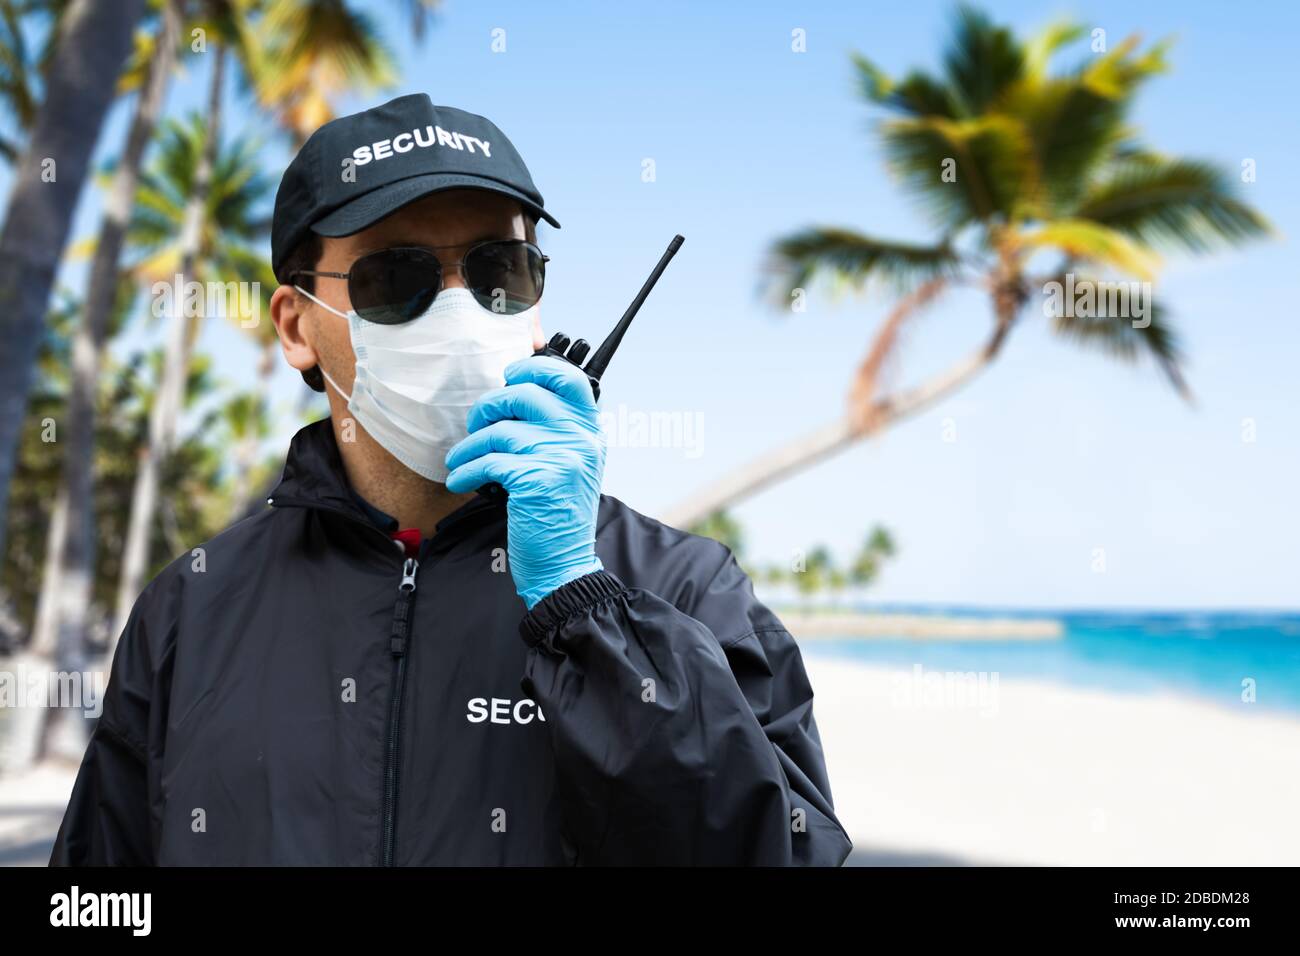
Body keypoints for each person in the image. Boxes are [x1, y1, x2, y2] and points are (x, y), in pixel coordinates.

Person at [49, 93, 852, 866]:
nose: (465, 309)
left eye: (499, 267)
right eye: (397, 278)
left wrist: (586, 611)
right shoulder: (192, 607)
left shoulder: (685, 590)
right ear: (296, 327)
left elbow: (773, 849)